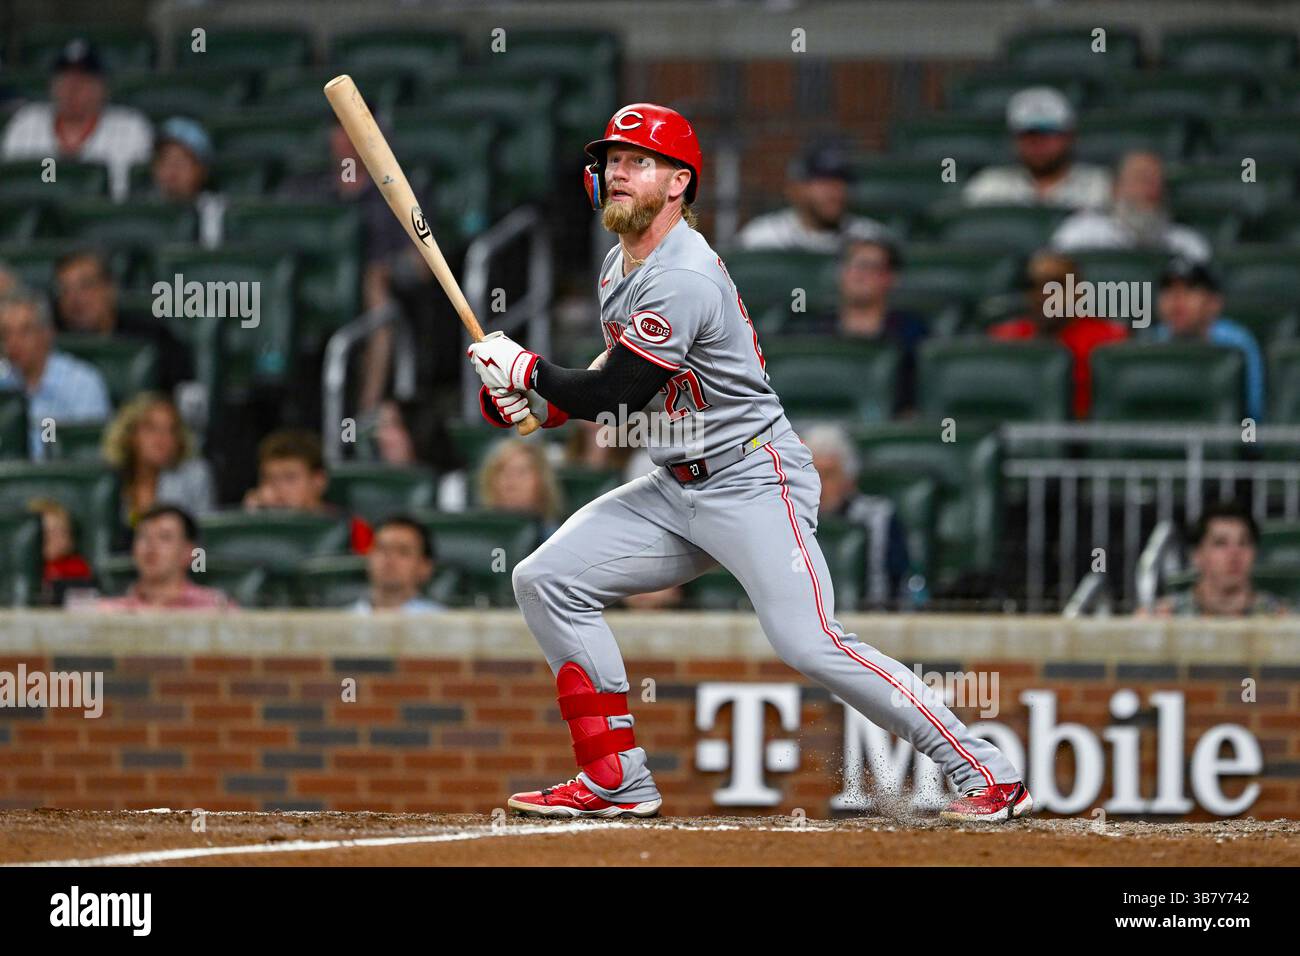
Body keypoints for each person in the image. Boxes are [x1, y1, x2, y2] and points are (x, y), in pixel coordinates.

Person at [466, 102, 1031, 822]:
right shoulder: (621, 265)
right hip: (675, 485)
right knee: (546, 580)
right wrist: (534, 401)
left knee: (811, 642)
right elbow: (618, 385)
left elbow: (617, 389)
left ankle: (988, 768)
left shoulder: (686, 274)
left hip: (752, 479)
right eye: (611, 162)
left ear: (678, 184)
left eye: (636, 162)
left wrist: (529, 370)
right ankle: (615, 778)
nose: (617, 174)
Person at [0, 38, 152, 201]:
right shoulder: (26, 122)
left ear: (103, 87)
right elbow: (11, 188)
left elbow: (130, 197)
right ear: (52, 85)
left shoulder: (130, 128)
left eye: (83, 81)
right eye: (64, 80)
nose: (72, 88)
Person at [988, 251, 1128, 418]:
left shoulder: (1110, 340)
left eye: (1055, 285)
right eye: (1032, 285)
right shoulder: (1004, 338)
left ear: (1079, 291)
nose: (1043, 294)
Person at [806, 237, 928, 414]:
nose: (859, 274)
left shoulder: (912, 333)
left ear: (890, 277)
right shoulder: (816, 332)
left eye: (870, 267)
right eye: (852, 265)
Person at [53, 249, 193, 393]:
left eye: (86, 286)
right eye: (65, 291)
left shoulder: (153, 339)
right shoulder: (51, 346)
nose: (75, 299)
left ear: (110, 289)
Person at [805, 424, 911, 608]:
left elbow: (892, 590)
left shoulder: (880, 518)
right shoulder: (783, 519)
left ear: (849, 479)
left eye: (828, 475)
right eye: (811, 473)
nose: (817, 484)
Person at [0, 290, 111, 458]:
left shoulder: (82, 384)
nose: (14, 342)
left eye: (25, 331)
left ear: (47, 333)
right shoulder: (3, 381)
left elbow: (92, 455)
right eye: (6, 334)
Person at [1152, 258, 1264, 423]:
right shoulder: (1151, 343)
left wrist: (1250, 446)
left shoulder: (1237, 344)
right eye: (1168, 290)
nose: (1176, 299)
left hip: (1224, 443)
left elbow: (1253, 413)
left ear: (1214, 303)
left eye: (1189, 289)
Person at [962, 87, 1110, 210]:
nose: (1038, 144)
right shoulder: (989, 186)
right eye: (1029, 136)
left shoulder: (1100, 186)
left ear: (1069, 137)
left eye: (1048, 134)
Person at [1051, 151, 1211, 262]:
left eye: (1157, 181)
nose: (1151, 189)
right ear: (1115, 189)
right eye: (1141, 178)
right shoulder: (1081, 234)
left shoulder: (1186, 244)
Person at [735, 141, 887, 253]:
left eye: (841, 181)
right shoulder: (762, 238)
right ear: (795, 189)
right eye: (823, 182)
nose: (834, 191)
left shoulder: (871, 237)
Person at [242, 429, 373, 553]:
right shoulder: (252, 529)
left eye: (289, 478)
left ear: (319, 481)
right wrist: (251, 523)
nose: (278, 489)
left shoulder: (353, 531)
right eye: (269, 479)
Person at [1148, 502, 1289, 617]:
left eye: (1244, 543)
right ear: (1197, 555)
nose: (1234, 553)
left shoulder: (1278, 618)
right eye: (1220, 543)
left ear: (1254, 553)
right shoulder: (1165, 617)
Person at [102, 393, 216, 527]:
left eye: (171, 431)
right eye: (151, 429)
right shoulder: (109, 484)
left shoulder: (194, 477)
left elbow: (204, 543)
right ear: (130, 436)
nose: (162, 440)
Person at [96, 505, 235, 611]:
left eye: (164, 537)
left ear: (190, 552)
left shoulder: (215, 608)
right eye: (144, 537)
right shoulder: (110, 611)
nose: (151, 546)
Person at [150, 116, 225, 247]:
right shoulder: (144, 210)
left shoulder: (218, 211)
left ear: (202, 170)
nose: (172, 171)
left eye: (182, 161)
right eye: (164, 161)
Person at [351, 515, 444, 615]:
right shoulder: (344, 618)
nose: (389, 559)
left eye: (403, 551)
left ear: (425, 566)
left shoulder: (443, 620)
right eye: (381, 549)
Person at [477, 437, 564, 534]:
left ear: (542, 481)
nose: (511, 479)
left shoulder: (556, 539)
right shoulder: (475, 536)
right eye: (502, 470)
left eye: (522, 472)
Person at [28, 497, 95, 604]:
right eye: (47, 533)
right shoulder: (22, 571)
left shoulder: (76, 567)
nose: (54, 539)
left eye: (62, 533)